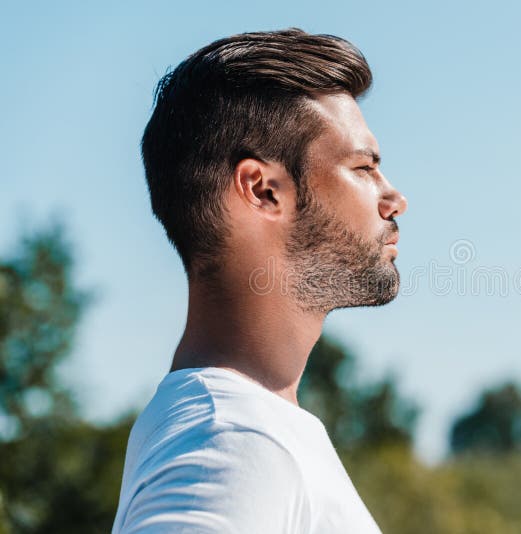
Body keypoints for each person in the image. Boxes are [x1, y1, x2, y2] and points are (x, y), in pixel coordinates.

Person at [112, 28, 408, 533]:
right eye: (364, 167)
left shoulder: (241, 425)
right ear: (263, 190)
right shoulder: (230, 436)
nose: (395, 199)